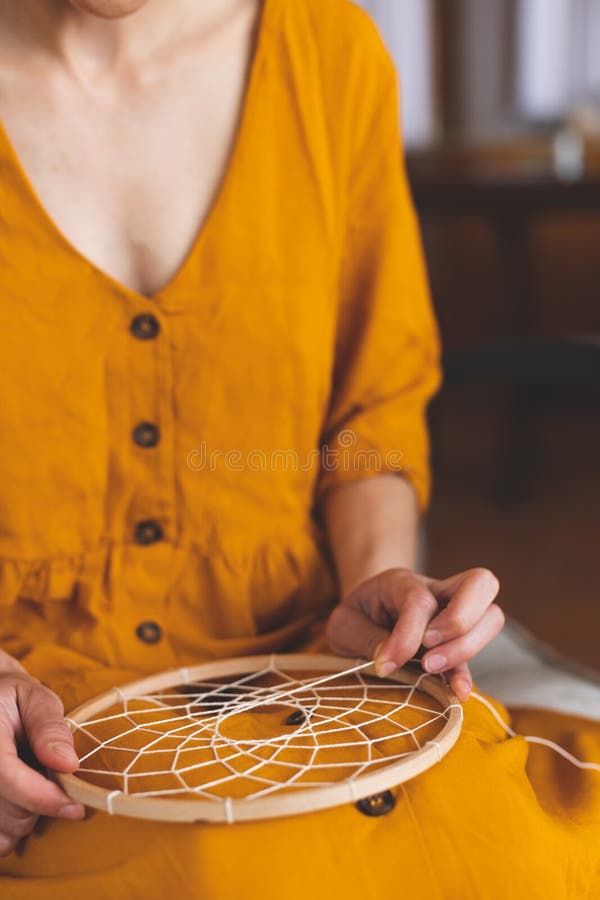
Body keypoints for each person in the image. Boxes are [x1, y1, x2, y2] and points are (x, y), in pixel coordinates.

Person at [0, 1, 597, 898]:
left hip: (310, 668)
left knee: (510, 851)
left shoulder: (328, 55)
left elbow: (371, 413)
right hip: (37, 720)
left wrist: (380, 591)